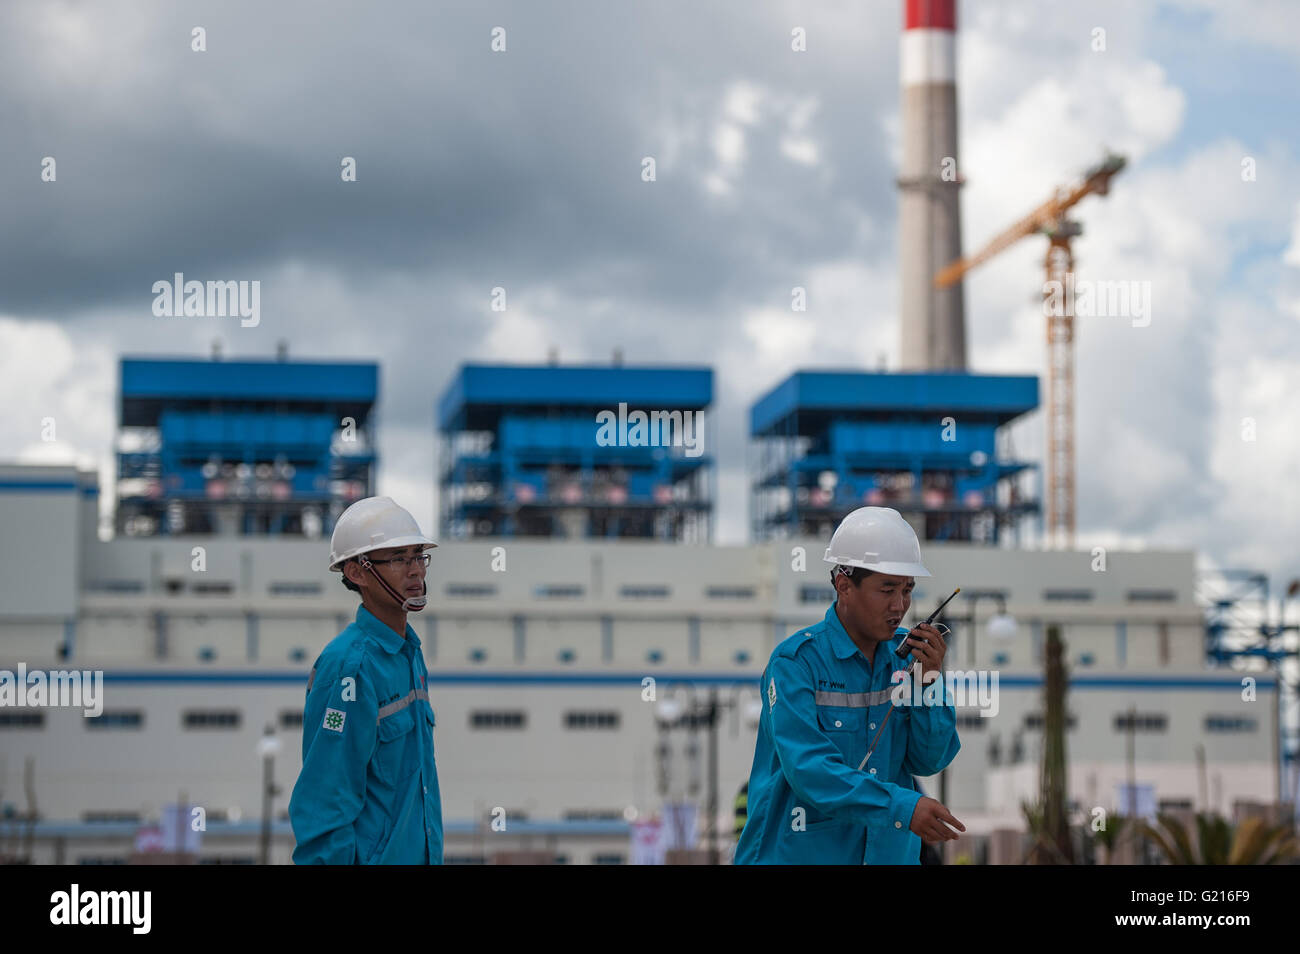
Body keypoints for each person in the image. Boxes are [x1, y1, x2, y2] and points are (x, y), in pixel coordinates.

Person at [734, 506, 964, 864]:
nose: (900, 605)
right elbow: (809, 769)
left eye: (907, 590)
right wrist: (903, 807)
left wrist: (929, 683)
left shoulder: (908, 660)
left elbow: (930, 759)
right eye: (887, 589)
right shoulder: (796, 664)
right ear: (844, 585)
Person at [288, 496, 443, 864]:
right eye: (398, 559)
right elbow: (325, 801)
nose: (416, 570)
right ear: (357, 572)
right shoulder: (349, 666)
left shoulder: (409, 654)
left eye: (418, 555)